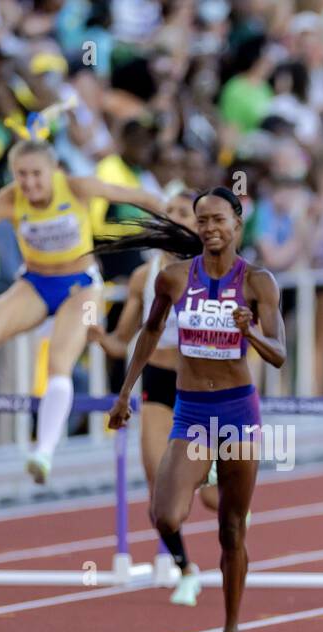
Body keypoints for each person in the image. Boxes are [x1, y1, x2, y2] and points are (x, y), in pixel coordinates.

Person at [104, 188, 287, 632]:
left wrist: (250, 333)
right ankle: (197, 482)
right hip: (191, 411)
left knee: (231, 529)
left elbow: (280, 353)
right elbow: (148, 332)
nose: (209, 227)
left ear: (238, 223)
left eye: (218, 219)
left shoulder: (259, 282)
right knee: (164, 514)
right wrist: (125, 394)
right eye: (202, 220)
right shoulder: (173, 279)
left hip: (237, 412)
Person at [0, 139, 162, 483]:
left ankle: (43, 452)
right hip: (35, 283)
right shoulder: (8, 199)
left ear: (53, 172)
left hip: (80, 286)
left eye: (36, 174)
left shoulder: (76, 187)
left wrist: (178, 221)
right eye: (21, 175)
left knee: (58, 366)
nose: (29, 183)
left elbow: (139, 197)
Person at [89, 189, 219, 605]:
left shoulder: (215, 272)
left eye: (184, 213)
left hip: (205, 387)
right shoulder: (146, 278)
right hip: (160, 383)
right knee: (159, 486)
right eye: (170, 212)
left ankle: (221, 481)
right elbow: (123, 341)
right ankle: (185, 568)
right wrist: (97, 336)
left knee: (215, 500)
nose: (173, 218)